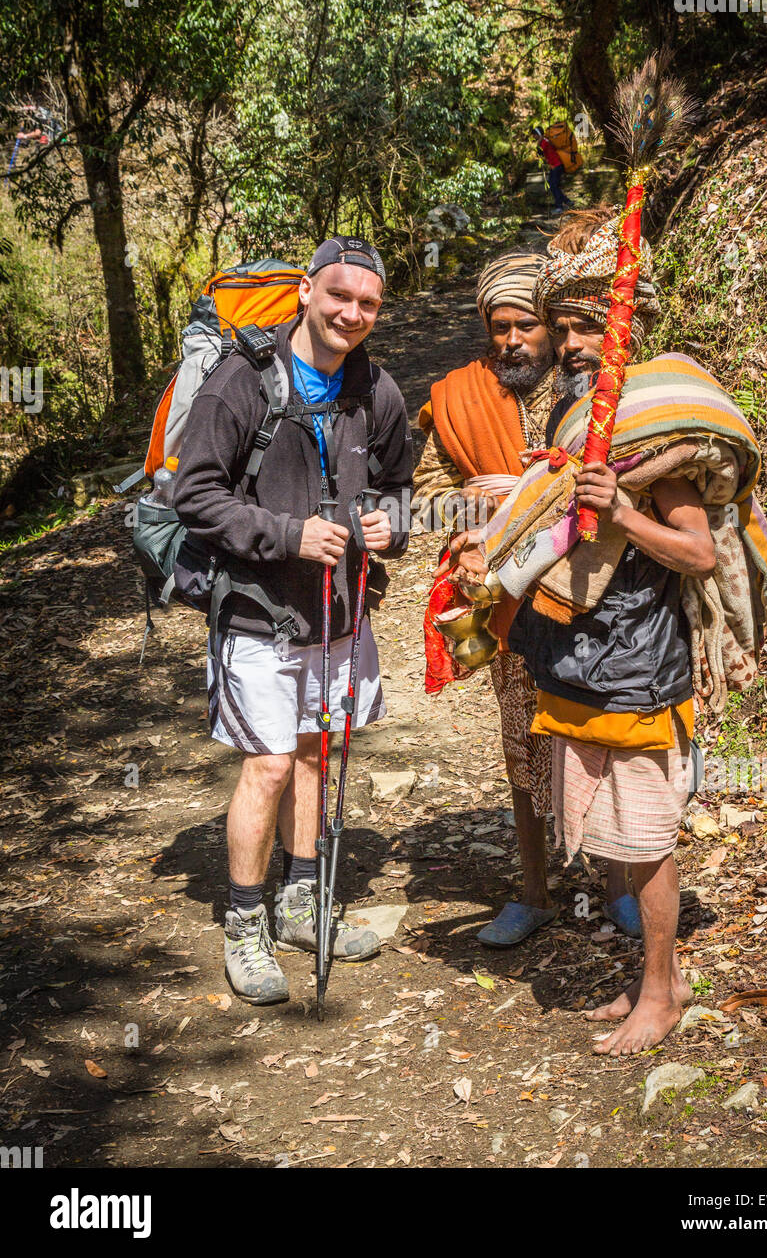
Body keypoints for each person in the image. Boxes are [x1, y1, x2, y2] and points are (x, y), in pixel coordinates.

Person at [451, 216, 713, 1052]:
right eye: (560, 326)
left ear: (626, 329)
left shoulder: (651, 431)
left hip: (638, 663)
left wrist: (626, 510)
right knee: (610, 832)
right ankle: (652, 983)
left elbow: (697, 551)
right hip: (576, 659)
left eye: (585, 326)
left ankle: (660, 996)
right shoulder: (574, 420)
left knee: (645, 841)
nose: (568, 342)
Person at [174, 235, 413, 1004]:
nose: (352, 312)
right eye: (339, 295)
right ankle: (245, 923)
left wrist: (389, 525)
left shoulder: (376, 390)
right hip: (256, 609)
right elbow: (195, 495)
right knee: (270, 763)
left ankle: (302, 903)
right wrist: (287, 534)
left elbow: (399, 485)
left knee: (314, 754)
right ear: (307, 291)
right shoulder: (240, 382)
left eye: (368, 303)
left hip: (339, 612)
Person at [412, 251, 560, 947]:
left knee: (600, 739)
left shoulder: (590, 385)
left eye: (525, 324)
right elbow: (425, 502)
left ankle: (621, 885)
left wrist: (534, 492)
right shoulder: (459, 395)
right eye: (499, 326)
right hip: (507, 600)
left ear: (554, 325)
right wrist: (470, 509)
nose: (511, 340)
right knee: (521, 745)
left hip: (585, 594)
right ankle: (534, 891)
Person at [531, 125, 567, 214]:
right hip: (555, 165)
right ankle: (567, 201)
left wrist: (538, 143)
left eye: (534, 135)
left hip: (556, 165)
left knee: (553, 186)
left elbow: (539, 153)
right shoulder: (546, 140)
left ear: (538, 135)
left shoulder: (544, 142)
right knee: (553, 185)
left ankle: (560, 207)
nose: (533, 137)